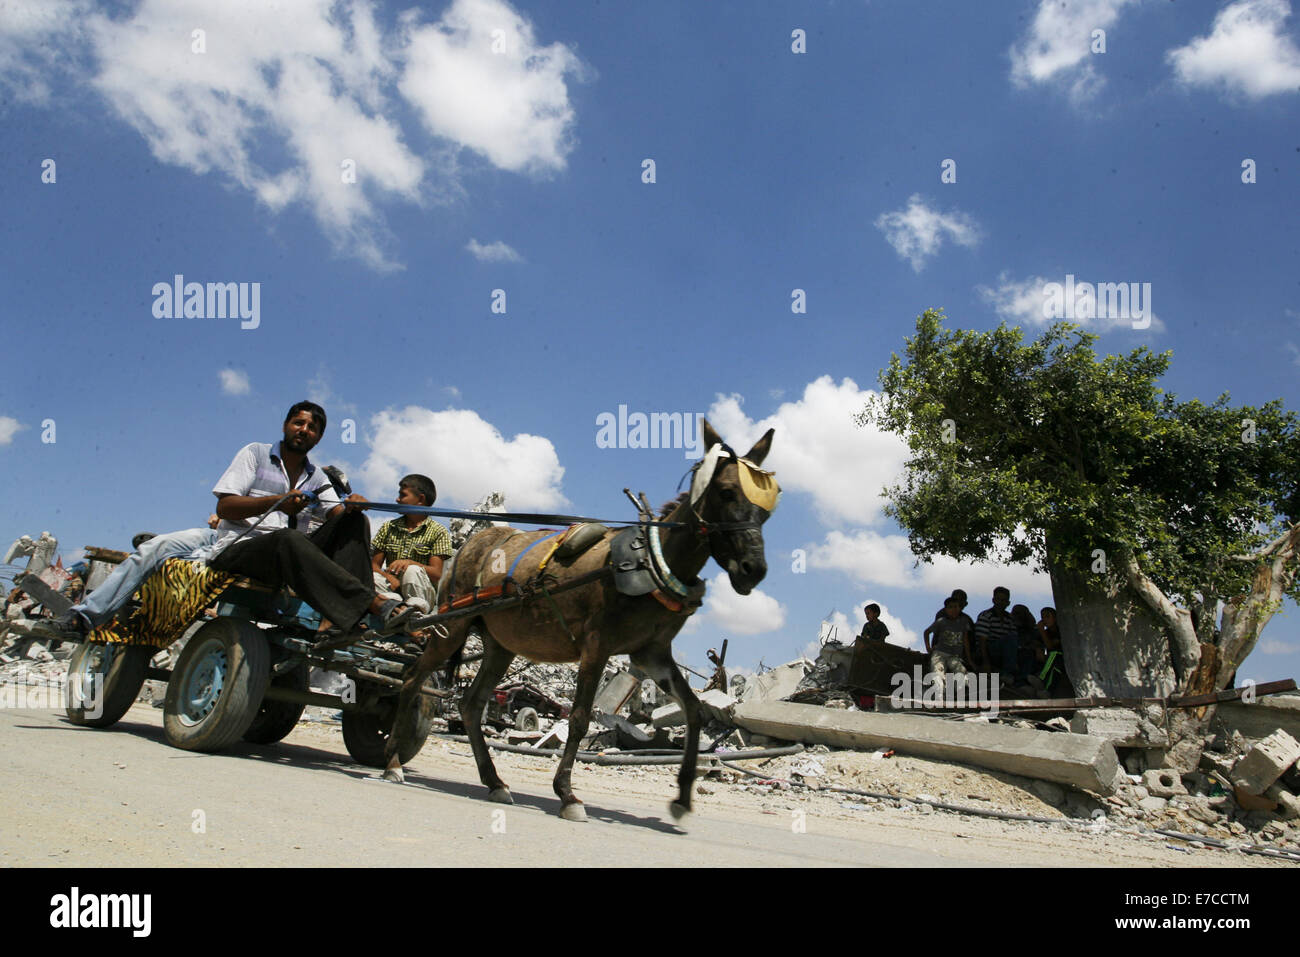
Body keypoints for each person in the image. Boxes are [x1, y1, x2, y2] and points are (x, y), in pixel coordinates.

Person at [197, 401, 415, 646]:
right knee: (288, 538)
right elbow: (224, 507)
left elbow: (337, 514)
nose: (303, 430)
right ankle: (373, 603)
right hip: (241, 550)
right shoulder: (255, 453)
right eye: (298, 423)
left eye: (312, 428)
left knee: (356, 521)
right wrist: (278, 502)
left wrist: (353, 506)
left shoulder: (317, 477)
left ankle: (334, 622)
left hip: (287, 557)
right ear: (285, 426)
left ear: (318, 438)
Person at [34, 526, 218, 641]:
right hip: (222, 534)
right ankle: (83, 618)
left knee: (199, 564)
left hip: (238, 545)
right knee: (156, 548)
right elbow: (226, 504)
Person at [370, 474, 451, 616]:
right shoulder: (388, 527)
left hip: (421, 593)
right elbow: (374, 565)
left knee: (412, 570)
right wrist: (388, 577)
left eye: (403, 495)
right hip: (391, 589)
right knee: (371, 576)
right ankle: (394, 607)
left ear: (420, 499)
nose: (397, 499)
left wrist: (410, 563)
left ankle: (414, 612)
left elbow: (437, 574)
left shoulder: (438, 531)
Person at [923, 596, 972, 689]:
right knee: (938, 673)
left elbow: (966, 641)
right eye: (951, 607)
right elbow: (927, 632)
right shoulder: (941, 622)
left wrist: (969, 660)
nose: (954, 609)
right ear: (946, 610)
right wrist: (928, 647)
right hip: (940, 654)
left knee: (961, 672)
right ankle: (941, 692)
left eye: (956, 607)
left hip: (954, 656)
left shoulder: (963, 622)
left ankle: (962, 691)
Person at [973, 586, 1017, 682]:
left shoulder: (1010, 619)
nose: (1000, 602)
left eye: (1003, 600)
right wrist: (985, 662)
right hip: (988, 650)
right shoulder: (986, 616)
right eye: (998, 599)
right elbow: (982, 641)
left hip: (1004, 651)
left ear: (1008, 603)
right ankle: (1007, 674)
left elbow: (1014, 638)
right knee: (1009, 639)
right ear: (993, 600)